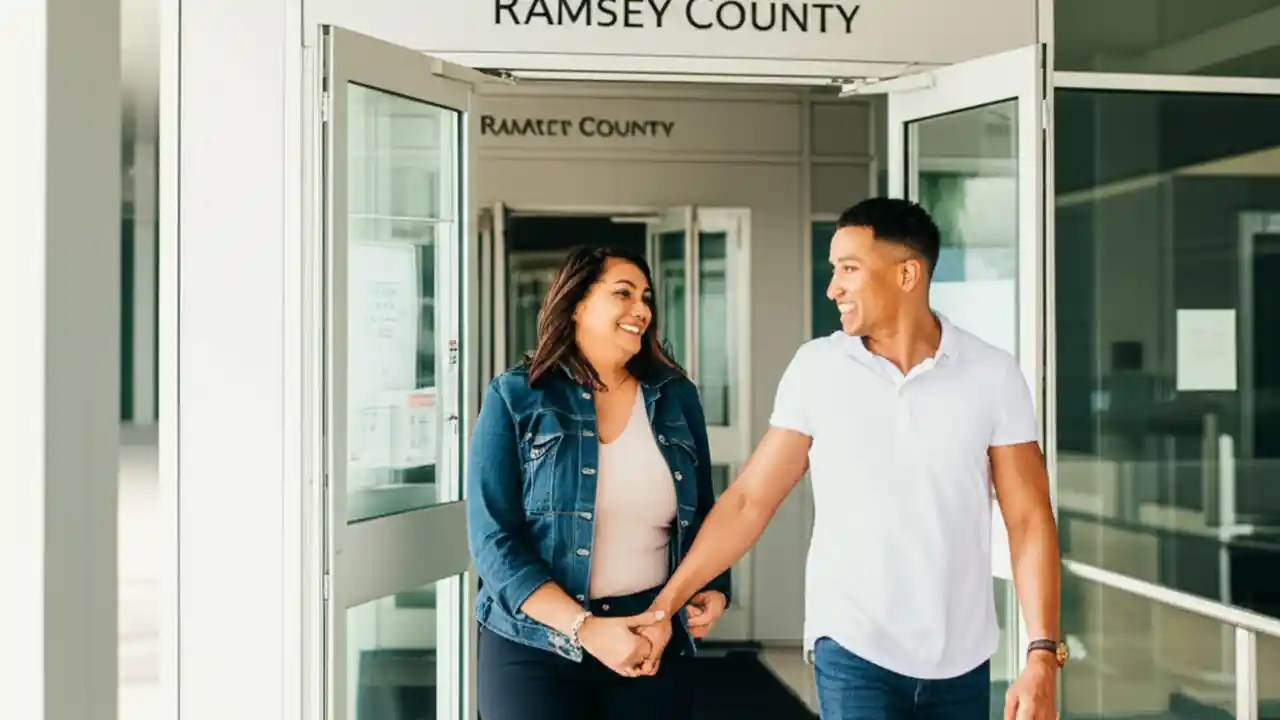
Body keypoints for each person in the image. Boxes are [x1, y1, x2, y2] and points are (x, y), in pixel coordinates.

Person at [641, 198, 1064, 720]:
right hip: (853, 647)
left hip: (963, 657)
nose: (833, 287)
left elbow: (1028, 519)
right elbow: (750, 500)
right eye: (833, 269)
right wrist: (668, 602)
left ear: (907, 273)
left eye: (849, 269)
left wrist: (1042, 653)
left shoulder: (992, 374)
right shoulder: (818, 368)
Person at [466, 245, 732, 720]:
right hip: (533, 645)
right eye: (623, 293)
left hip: (650, 637)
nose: (642, 310)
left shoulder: (676, 397)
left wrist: (713, 587)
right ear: (577, 305)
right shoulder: (515, 396)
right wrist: (585, 628)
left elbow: (706, 515)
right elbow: (493, 540)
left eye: (646, 297)